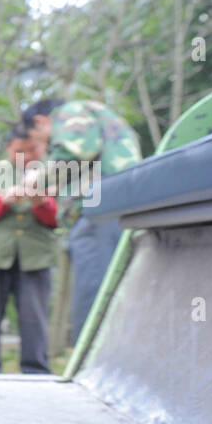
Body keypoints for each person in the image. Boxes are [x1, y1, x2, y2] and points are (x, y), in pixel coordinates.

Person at [19, 98, 142, 340]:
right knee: (119, 293)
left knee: (94, 295)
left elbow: (73, 153)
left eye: (41, 140)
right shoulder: (100, 117)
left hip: (99, 214)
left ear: (40, 122)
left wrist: (35, 180)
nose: (44, 149)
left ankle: (90, 365)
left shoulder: (70, 112)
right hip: (118, 207)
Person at [0, 124, 58, 374]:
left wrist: (41, 202)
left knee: (34, 318)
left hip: (36, 256)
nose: (26, 157)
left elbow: (60, 220)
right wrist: (1, 200)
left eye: (31, 150)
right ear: (8, 148)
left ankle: (36, 371)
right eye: (19, 151)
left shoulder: (54, 172)